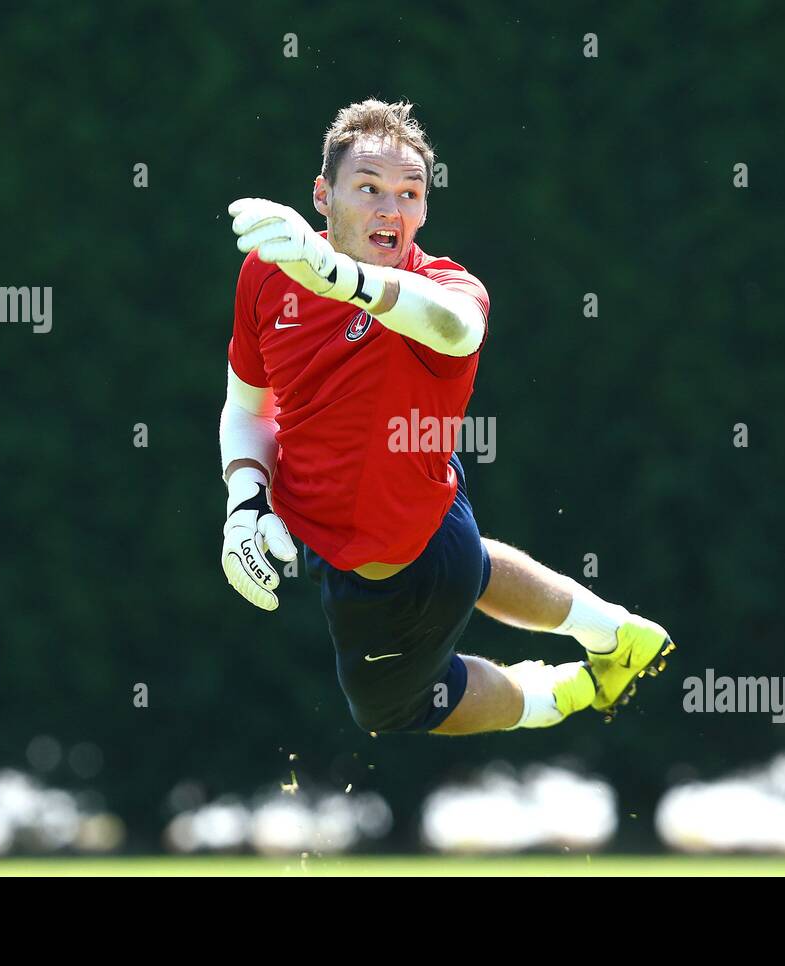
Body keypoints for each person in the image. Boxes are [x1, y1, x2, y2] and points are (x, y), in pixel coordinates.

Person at [220, 99, 674, 736]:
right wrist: (245, 499)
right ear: (322, 196)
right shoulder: (267, 270)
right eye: (369, 188)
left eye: (410, 193)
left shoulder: (447, 286)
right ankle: (612, 631)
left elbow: (455, 329)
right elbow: (247, 407)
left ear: (426, 208)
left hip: (393, 565)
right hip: (420, 513)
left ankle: (566, 693)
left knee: (396, 708)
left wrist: (337, 277)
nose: (391, 210)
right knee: (473, 567)